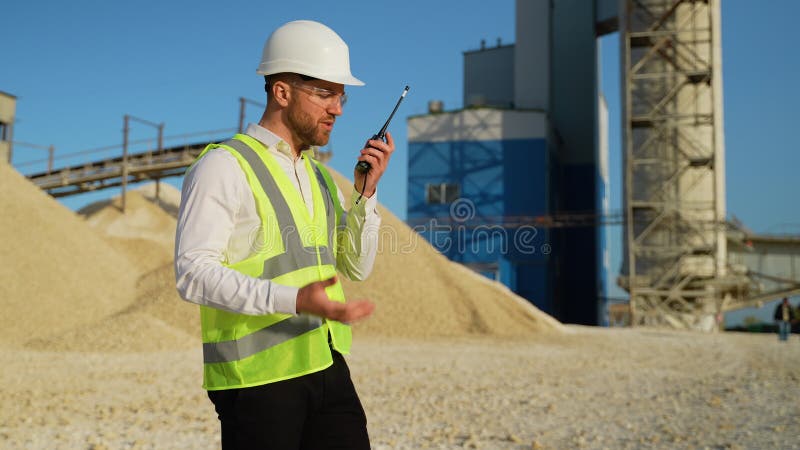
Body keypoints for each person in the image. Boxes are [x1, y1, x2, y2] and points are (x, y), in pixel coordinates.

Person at [174, 20, 393, 449]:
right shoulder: (224, 166)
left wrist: (366, 194)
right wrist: (293, 301)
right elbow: (192, 273)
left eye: (341, 96)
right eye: (325, 94)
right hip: (256, 380)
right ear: (282, 92)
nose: (338, 109)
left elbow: (356, 268)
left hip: (325, 364)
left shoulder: (322, 178)